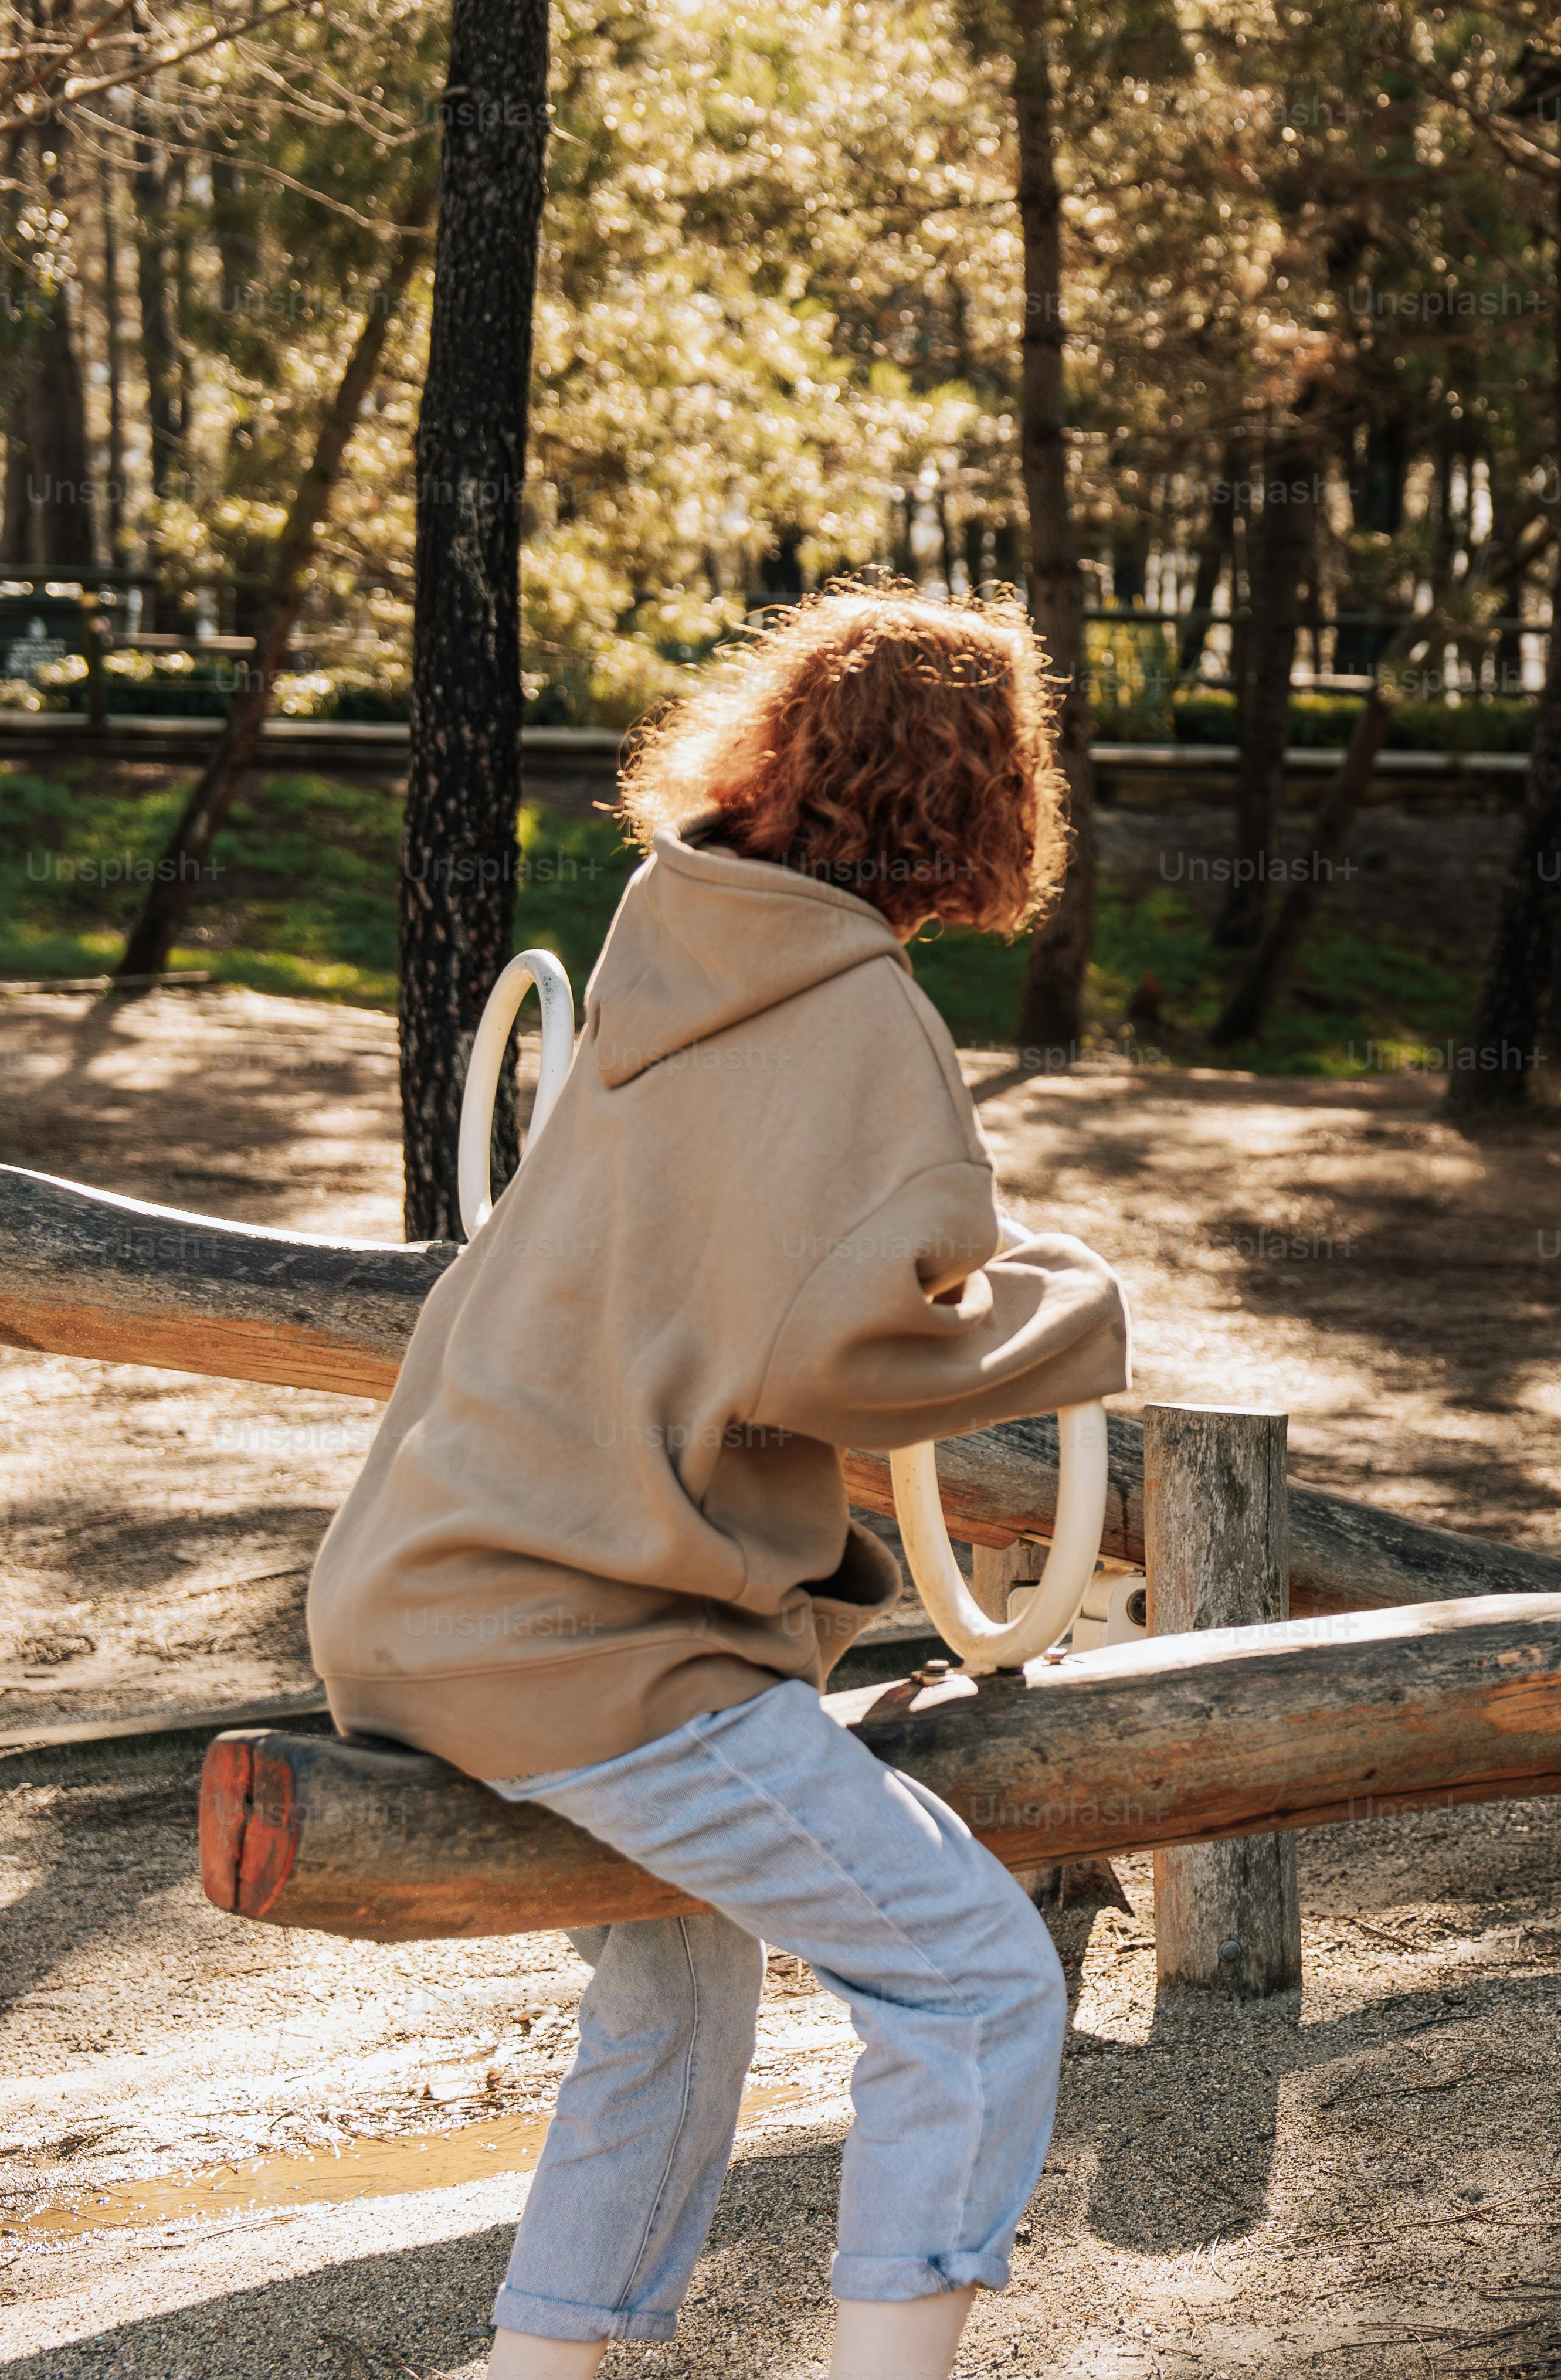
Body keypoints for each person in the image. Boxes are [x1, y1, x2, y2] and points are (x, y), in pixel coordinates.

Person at [304, 581, 1131, 2380]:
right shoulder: (857, 1016)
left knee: (676, 1986)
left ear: (781, 751)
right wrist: (1072, 1309)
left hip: (420, 1594)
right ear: (991, 799)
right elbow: (829, 1357)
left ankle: (548, 2367)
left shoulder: (666, 955)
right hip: (597, 1634)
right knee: (976, 1981)